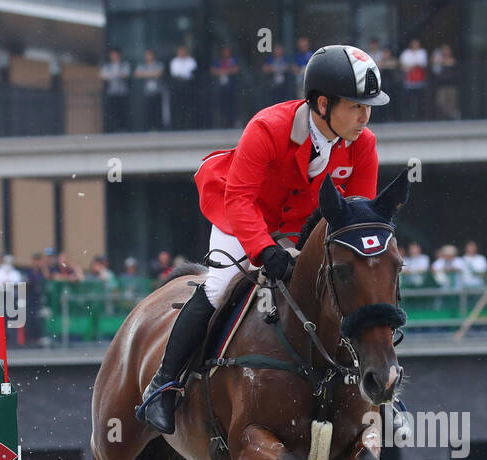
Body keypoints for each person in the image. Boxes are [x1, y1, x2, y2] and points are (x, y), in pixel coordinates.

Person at [137, 44, 387, 435]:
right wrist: (265, 250)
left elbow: (354, 218)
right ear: (323, 104)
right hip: (242, 215)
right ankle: (164, 385)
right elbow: (240, 199)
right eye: (356, 106)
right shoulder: (268, 127)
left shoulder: (364, 145)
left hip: (300, 230)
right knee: (220, 287)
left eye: (368, 106)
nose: (365, 116)